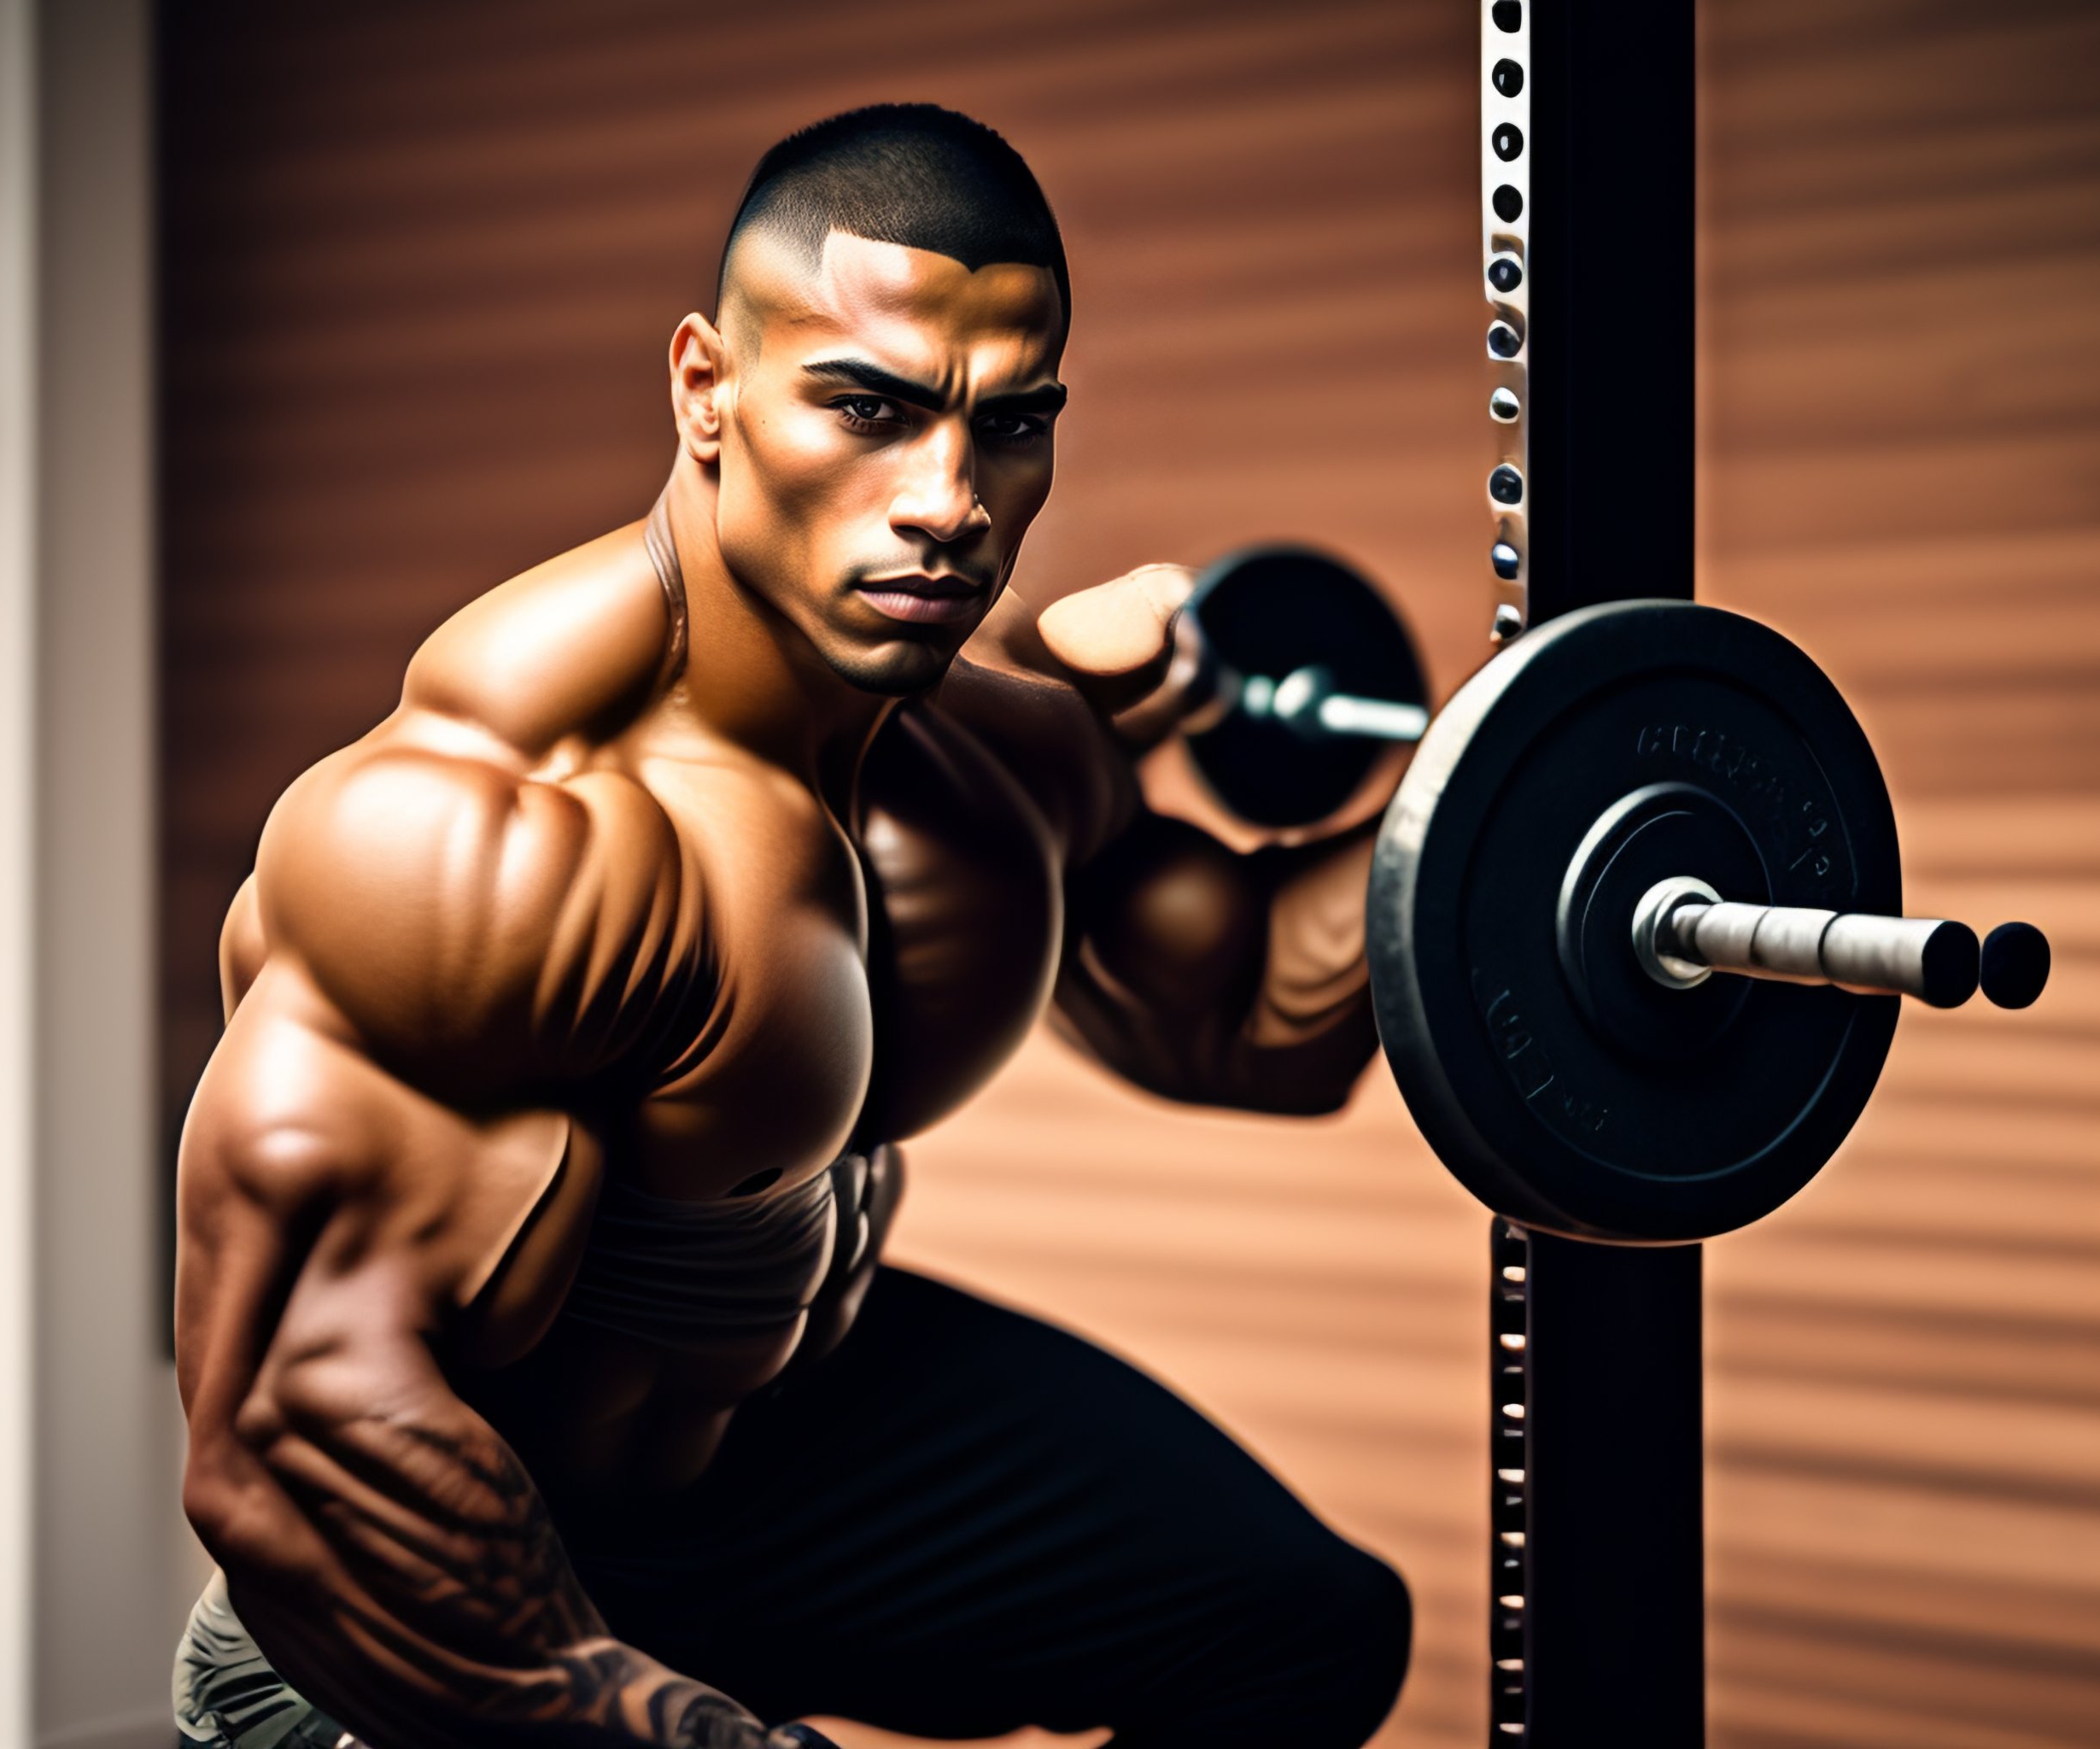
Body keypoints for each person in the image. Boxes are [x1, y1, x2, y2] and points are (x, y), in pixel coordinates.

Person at [173, 103, 1411, 1749]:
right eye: (871, 410)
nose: (951, 503)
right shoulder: (496, 824)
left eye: (1012, 424)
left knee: (1298, 1634)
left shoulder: (1002, 759)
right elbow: (296, 1429)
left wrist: (1480, 762)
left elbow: (1250, 1018)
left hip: (783, 1448)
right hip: (430, 1619)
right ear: (707, 387)